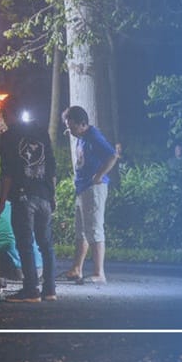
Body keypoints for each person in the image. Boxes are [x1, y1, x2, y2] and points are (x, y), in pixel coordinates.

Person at [0, 95, 57, 303]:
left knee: (25, 243)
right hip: (44, 194)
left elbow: (7, 173)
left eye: (4, 114)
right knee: (46, 244)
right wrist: (52, 195)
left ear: (10, 113)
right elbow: (51, 167)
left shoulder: (8, 137)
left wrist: (1, 203)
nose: (4, 118)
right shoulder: (41, 132)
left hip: (23, 197)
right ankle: (50, 290)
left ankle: (31, 290)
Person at [60, 105, 118, 285]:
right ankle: (77, 268)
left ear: (82, 123)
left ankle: (99, 273)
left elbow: (112, 155)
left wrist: (99, 175)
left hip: (94, 188)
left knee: (94, 229)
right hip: (83, 189)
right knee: (82, 230)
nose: (69, 130)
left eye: (71, 126)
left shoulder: (93, 135)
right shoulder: (82, 137)